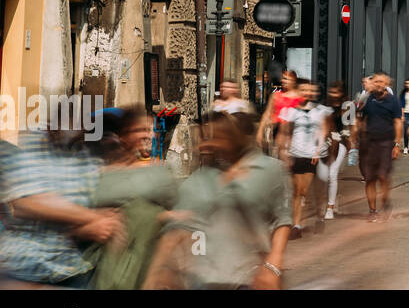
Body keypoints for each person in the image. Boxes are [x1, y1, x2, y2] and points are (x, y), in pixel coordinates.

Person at [144, 111, 290, 289]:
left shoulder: (269, 170)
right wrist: (159, 272)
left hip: (252, 278)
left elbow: (282, 219)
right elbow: (176, 231)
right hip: (205, 279)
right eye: (201, 140)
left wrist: (273, 266)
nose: (204, 146)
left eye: (212, 138)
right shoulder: (198, 180)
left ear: (231, 137)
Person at [0, 121, 119, 287]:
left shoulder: (85, 160)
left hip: (69, 267)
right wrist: (92, 218)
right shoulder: (29, 145)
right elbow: (24, 204)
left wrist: (87, 224)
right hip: (25, 267)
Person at [84, 107, 180, 289]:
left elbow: (177, 222)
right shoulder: (102, 173)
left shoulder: (159, 173)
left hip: (144, 265)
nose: (148, 136)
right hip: (103, 266)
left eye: (150, 130)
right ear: (123, 136)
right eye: (140, 130)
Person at [351, 71, 403, 222]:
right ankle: (372, 210)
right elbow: (360, 118)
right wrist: (355, 136)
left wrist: (397, 144)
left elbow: (398, 122)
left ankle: (386, 202)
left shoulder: (393, 101)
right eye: (376, 81)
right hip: (368, 144)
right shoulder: (367, 99)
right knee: (369, 178)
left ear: (387, 84)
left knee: (382, 176)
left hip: (386, 143)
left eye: (382, 82)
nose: (379, 84)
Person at [282, 80, 328, 238]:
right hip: (296, 153)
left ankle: (317, 216)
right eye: (303, 90)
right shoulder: (291, 111)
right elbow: (286, 132)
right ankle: (296, 225)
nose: (307, 93)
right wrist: (285, 151)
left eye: (310, 90)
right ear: (298, 91)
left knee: (304, 190)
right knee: (296, 191)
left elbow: (322, 132)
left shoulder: (319, 111)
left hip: (311, 155)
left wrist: (317, 151)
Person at [318, 81, 349, 220]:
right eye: (331, 91)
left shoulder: (348, 106)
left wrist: (351, 144)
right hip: (326, 142)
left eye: (336, 92)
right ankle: (333, 198)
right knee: (323, 176)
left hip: (341, 142)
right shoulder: (325, 106)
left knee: (332, 173)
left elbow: (350, 127)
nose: (333, 94)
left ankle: (330, 207)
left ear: (341, 93)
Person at [258, 69, 300, 157]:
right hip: (276, 131)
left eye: (287, 79)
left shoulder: (298, 96)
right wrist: (260, 132)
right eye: (283, 78)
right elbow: (267, 113)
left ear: (294, 81)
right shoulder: (276, 95)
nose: (283, 81)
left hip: (293, 133)